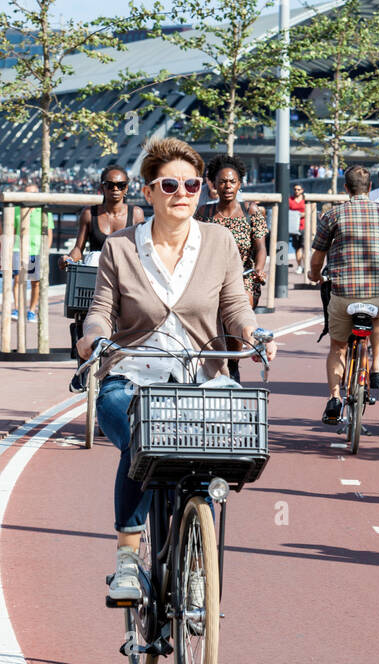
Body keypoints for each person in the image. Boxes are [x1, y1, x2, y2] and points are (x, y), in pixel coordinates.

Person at [78, 136, 275, 602]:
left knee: (213, 450)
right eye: (169, 184)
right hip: (131, 377)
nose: (182, 192)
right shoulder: (122, 248)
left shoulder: (220, 242)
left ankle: (196, 557)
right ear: (148, 191)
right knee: (141, 431)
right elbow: (101, 310)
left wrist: (254, 334)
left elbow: (235, 308)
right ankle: (127, 558)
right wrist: (93, 336)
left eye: (191, 184)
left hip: (200, 378)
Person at [309, 163, 379, 424]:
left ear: (346, 189)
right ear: (370, 188)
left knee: (337, 346)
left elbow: (317, 256)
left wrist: (315, 275)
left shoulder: (333, 215)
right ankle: (376, 368)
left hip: (343, 292)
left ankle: (334, 398)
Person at [198, 155, 267, 308]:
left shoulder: (250, 211)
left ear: (239, 184)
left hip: (243, 277)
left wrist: (259, 269)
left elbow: (261, 247)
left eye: (232, 182)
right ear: (214, 184)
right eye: (222, 182)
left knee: (243, 309)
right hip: (211, 277)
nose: (227, 186)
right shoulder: (204, 212)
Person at [62, 165, 144, 270]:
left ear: (126, 188)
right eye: (110, 185)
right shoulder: (89, 214)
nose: (115, 189)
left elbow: (142, 250)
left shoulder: (136, 214)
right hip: (96, 274)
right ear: (102, 187)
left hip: (126, 274)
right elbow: (78, 248)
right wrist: (68, 260)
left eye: (121, 185)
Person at [11, 189, 53, 323]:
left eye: (33, 193)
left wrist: (45, 251)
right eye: (27, 192)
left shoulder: (44, 211)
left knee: (35, 282)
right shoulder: (17, 210)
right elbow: (12, 231)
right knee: (17, 279)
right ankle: (17, 309)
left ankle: (31, 310)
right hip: (19, 248)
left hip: (36, 250)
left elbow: (49, 233)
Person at [289, 183, 306, 273]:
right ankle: (300, 265)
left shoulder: (305, 200)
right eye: (295, 189)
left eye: (298, 189)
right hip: (294, 227)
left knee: (305, 247)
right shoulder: (290, 200)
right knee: (297, 248)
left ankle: (306, 266)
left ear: (302, 190)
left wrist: (303, 214)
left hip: (304, 226)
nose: (296, 191)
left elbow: (311, 209)